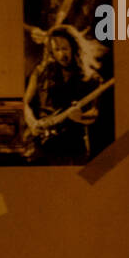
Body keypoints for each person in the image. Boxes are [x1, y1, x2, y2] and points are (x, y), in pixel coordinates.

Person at [22, 24, 105, 163]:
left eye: (65, 48)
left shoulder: (91, 78)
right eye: (57, 49)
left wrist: (80, 117)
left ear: (74, 48)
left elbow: (94, 114)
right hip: (42, 147)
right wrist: (32, 123)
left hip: (74, 149)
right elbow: (24, 103)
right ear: (51, 51)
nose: (61, 54)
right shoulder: (41, 72)